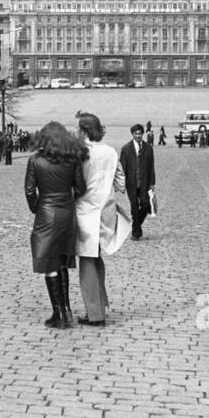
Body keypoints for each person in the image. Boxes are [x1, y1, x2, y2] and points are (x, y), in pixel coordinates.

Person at [24, 121, 89, 330]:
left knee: (49, 262)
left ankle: (58, 313)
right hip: (67, 213)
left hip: (46, 211)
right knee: (62, 260)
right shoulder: (72, 160)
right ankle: (66, 309)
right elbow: (80, 188)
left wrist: (37, 207)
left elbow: (29, 190)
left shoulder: (35, 160)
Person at [74, 113, 130, 328]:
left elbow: (76, 182)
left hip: (85, 210)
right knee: (96, 259)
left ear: (84, 130)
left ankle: (95, 313)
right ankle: (99, 305)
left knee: (87, 262)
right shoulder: (110, 151)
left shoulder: (80, 152)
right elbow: (121, 182)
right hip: (106, 209)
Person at [118, 124, 156, 241]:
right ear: (132, 134)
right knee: (134, 206)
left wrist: (152, 183)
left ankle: (135, 225)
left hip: (144, 182)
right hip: (131, 183)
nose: (138, 136)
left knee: (145, 205)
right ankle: (136, 233)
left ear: (142, 134)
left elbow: (151, 166)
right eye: (136, 134)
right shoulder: (126, 148)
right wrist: (121, 184)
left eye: (140, 133)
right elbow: (122, 167)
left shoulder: (148, 148)